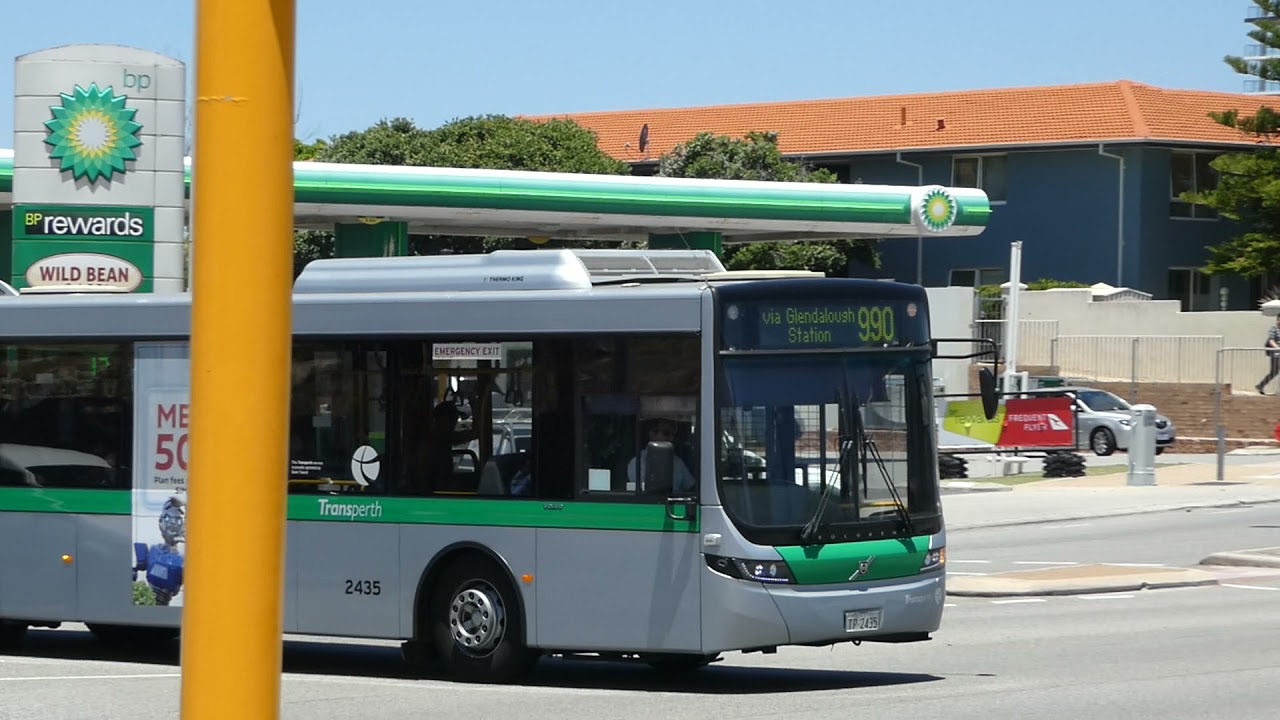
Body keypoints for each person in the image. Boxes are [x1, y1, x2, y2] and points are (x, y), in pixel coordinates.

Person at [627, 417, 697, 494]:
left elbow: (690, 486)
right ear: (651, 433)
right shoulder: (637, 463)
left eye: (669, 434)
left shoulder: (678, 462)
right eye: (656, 431)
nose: (671, 438)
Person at [1258, 315, 1280, 395]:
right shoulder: (1273, 329)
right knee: (1274, 372)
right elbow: (1271, 340)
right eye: (1279, 320)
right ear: (1277, 320)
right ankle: (1260, 385)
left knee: (1274, 372)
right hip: (1276, 354)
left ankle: (1260, 385)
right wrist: (1277, 348)